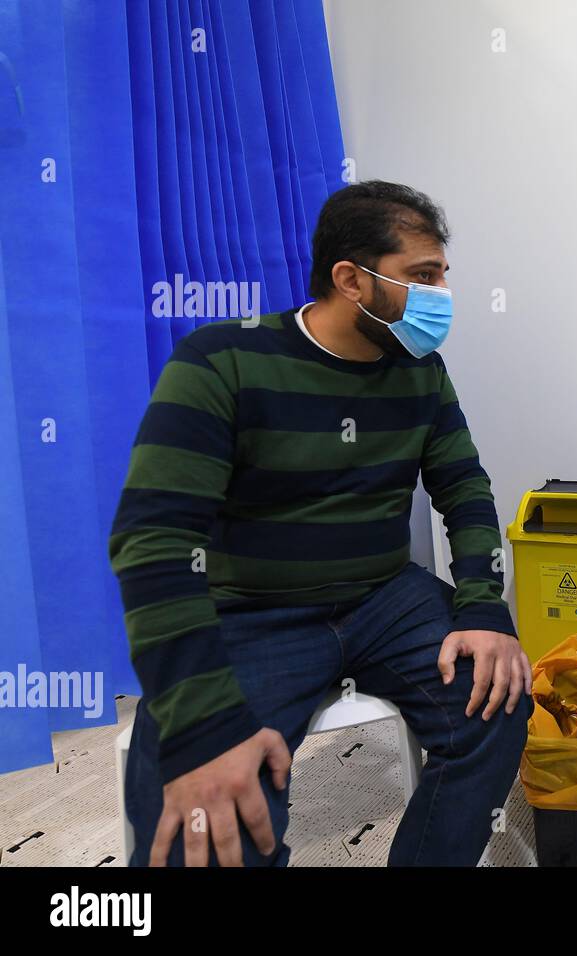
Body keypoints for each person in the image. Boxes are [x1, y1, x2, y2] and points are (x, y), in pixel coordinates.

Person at [110, 181, 531, 866]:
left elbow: (463, 486)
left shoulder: (420, 369)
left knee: (496, 703)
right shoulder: (220, 362)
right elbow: (152, 543)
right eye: (422, 276)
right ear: (350, 280)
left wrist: (484, 610)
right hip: (252, 613)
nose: (441, 294)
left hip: (384, 599)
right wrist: (202, 722)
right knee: (207, 814)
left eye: (444, 275)